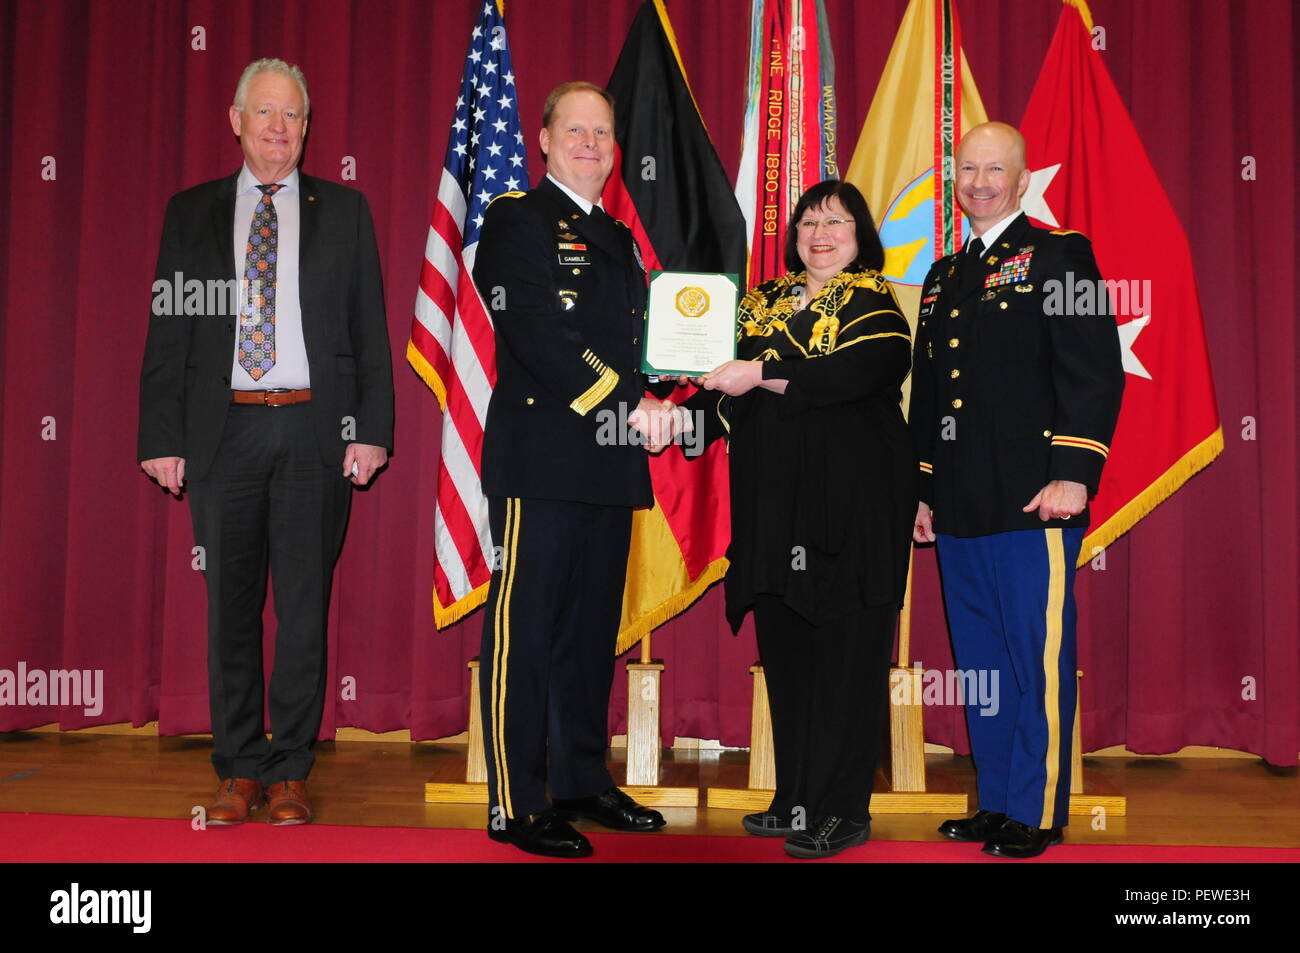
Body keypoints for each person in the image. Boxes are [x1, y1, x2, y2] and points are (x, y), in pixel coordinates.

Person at [137, 59, 394, 826]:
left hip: (317, 429)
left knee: (305, 609)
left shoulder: (346, 212)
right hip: (225, 433)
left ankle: (290, 772)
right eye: (266, 114)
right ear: (236, 120)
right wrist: (161, 433)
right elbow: (167, 329)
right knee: (231, 609)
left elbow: (369, 333)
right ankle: (239, 767)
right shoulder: (192, 213)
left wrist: (372, 430)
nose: (280, 129)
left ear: (307, 128)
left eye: (293, 117)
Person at [470, 81, 683, 859]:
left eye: (602, 132)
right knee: (526, 633)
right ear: (546, 139)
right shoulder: (515, 219)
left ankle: (580, 778)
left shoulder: (621, 239)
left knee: (591, 635)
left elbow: (643, 349)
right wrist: (625, 398)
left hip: (612, 461)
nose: (591, 143)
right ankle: (517, 801)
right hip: (542, 461)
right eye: (576, 129)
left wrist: (665, 391)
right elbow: (531, 327)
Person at [911, 121, 1124, 858]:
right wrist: (923, 488)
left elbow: (1093, 369)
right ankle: (997, 798)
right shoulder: (943, 275)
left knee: (1035, 659)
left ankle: (1036, 809)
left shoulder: (1060, 254)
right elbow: (933, 393)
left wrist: (1074, 471)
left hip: (1037, 497)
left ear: (1023, 178)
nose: (978, 181)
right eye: (967, 169)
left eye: (994, 169)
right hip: (963, 501)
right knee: (983, 667)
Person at [684, 180, 915, 859]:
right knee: (788, 655)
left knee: (848, 657)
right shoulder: (758, 302)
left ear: (860, 234)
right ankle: (797, 797)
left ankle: (843, 808)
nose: (820, 233)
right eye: (809, 221)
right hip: (774, 505)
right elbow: (716, 383)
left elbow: (865, 370)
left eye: (836, 222)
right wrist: (672, 411)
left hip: (855, 506)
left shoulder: (874, 297)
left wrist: (760, 372)